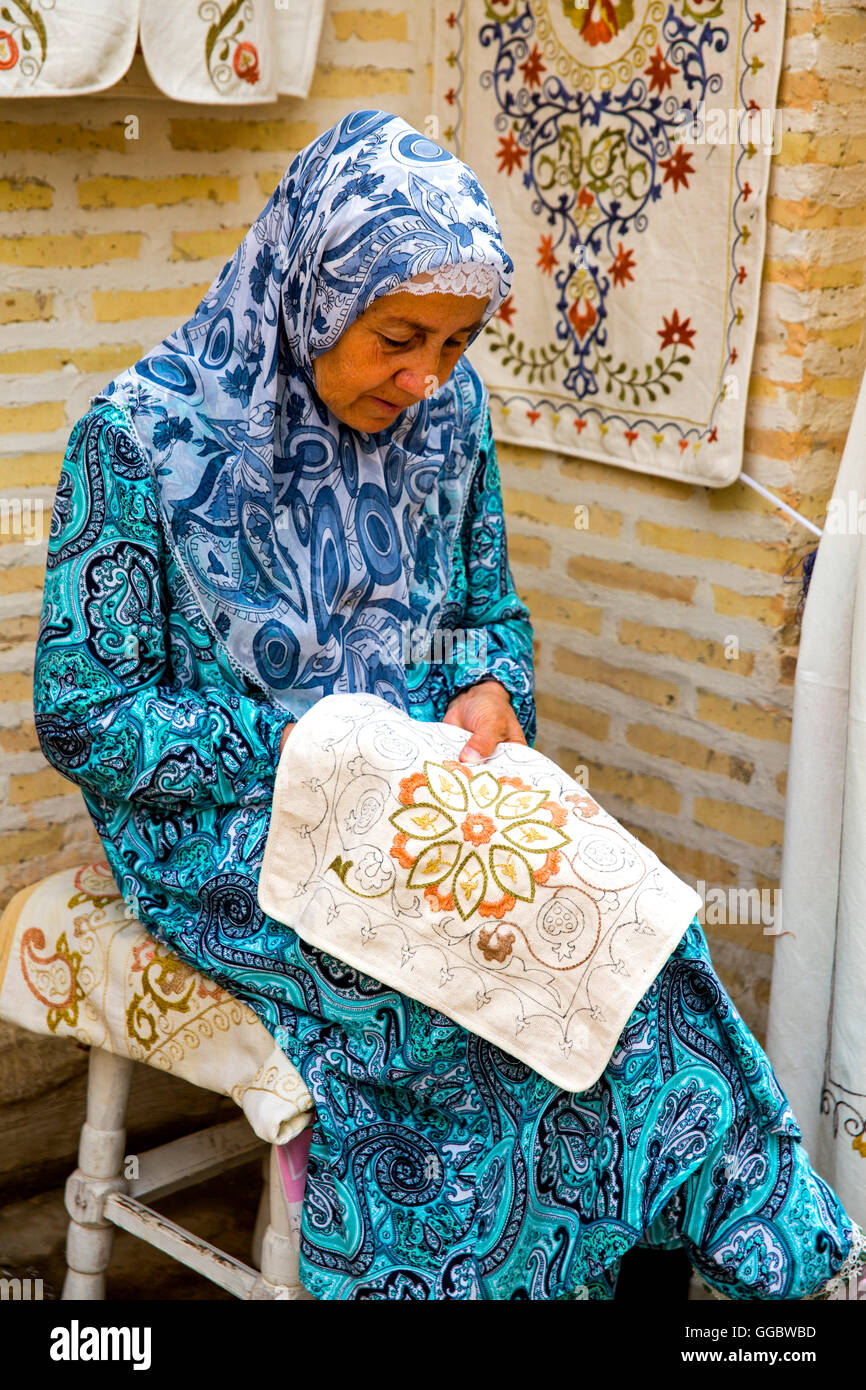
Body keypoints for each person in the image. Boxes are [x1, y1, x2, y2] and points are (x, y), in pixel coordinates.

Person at [33, 108, 864, 1301]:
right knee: (462, 1006)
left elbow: (486, 612)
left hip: (425, 795)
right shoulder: (139, 438)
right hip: (220, 825)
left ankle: (793, 1274)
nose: (426, 375)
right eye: (397, 337)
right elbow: (86, 716)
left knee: (638, 942)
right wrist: (313, 746)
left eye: (460, 342)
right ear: (314, 291)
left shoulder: (447, 418)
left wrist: (487, 687)